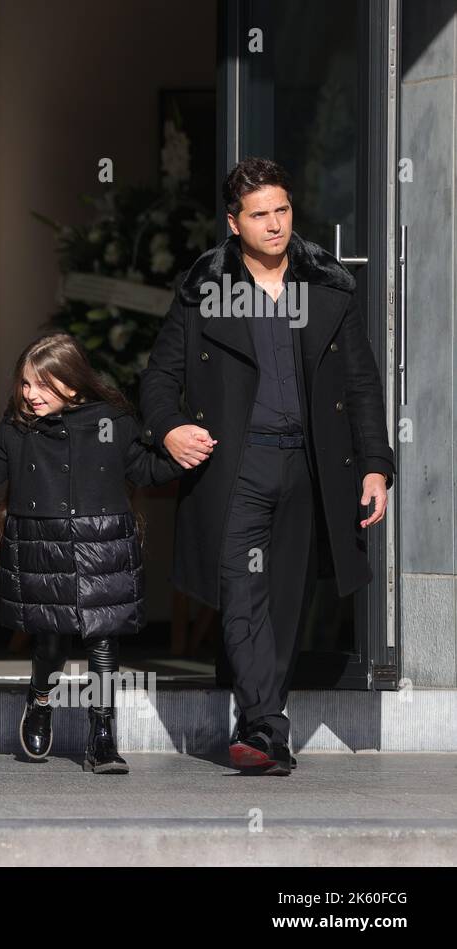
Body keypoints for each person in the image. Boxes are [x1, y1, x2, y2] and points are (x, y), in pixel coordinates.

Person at [141, 157, 394, 775]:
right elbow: (158, 379)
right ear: (235, 223)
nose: (276, 224)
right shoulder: (205, 291)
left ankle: (263, 727)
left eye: (282, 210)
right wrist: (170, 429)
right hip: (238, 466)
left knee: (285, 603)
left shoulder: (326, 289)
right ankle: (265, 726)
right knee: (241, 592)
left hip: (311, 467)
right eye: (260, 215)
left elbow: (361, 385)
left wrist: (374, 465)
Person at [0, 333, 182, 773]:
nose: (31, 394)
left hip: (102, 542)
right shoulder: (17, 429)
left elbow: (144, 467)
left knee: (104, 644)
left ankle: (103, 733)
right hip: (39, 547)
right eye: (26, 383)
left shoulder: (114, 422)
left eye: (43, 384)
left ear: (75, 383)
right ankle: (40, 698)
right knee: (49, 640)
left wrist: (185, 453)